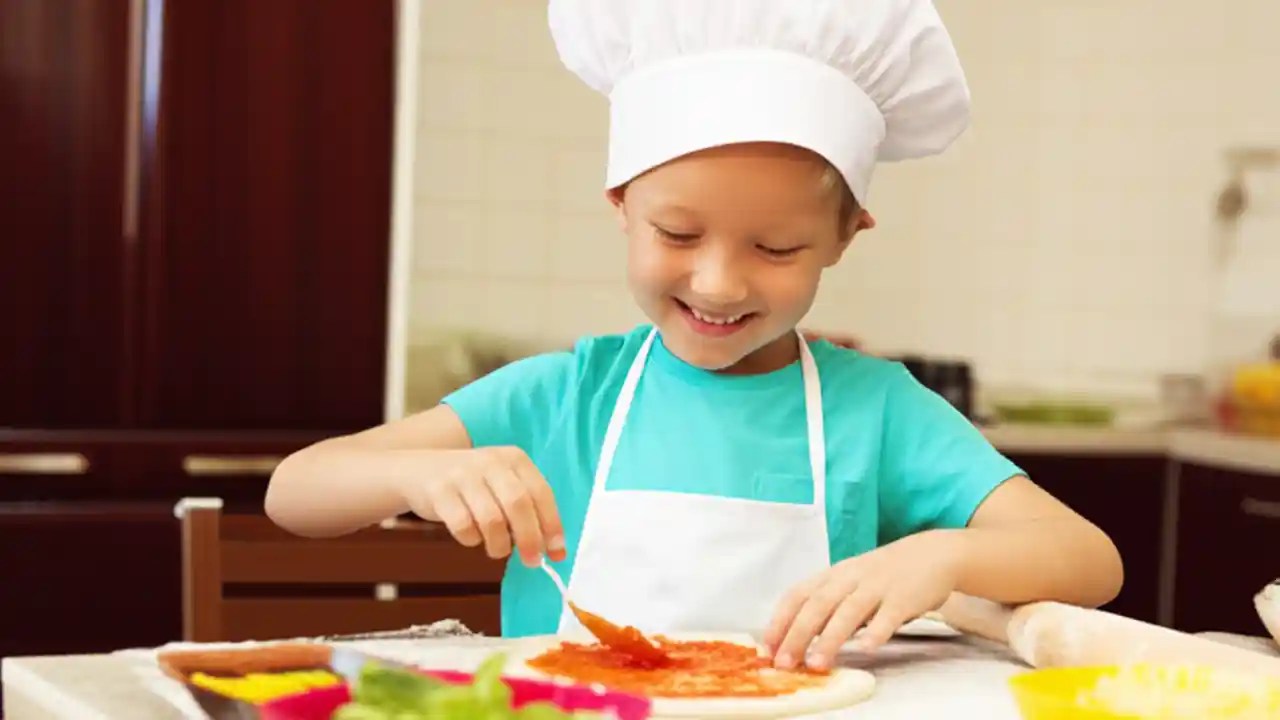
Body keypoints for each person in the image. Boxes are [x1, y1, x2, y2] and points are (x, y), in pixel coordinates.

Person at [264, 0, 1123, 671]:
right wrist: (424, 470)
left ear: (845, 236)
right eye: (677, 235)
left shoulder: (879, 410)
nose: (718, 281)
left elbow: (1091, 561)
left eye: (777, 248)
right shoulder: (567, 394)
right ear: (622, 211)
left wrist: (944, 556)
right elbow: (296, 492)